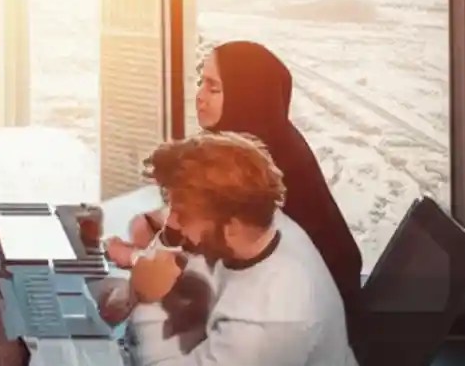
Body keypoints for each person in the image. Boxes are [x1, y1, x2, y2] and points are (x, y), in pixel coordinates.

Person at [118, 134, 376, 366]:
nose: (172, 222)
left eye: (184, 214)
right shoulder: (260, 223)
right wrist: (141, 277)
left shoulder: (275, 320)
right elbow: (200, 262)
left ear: (232, 225)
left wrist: (148, 300)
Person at [108, 41, 363, 319]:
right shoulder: (271, 138)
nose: (200, 96)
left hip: (294, 318)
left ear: (247, 95)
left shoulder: (253, 165)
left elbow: (206, 271)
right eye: (201, 83)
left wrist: (133, 258)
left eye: (214, 88)